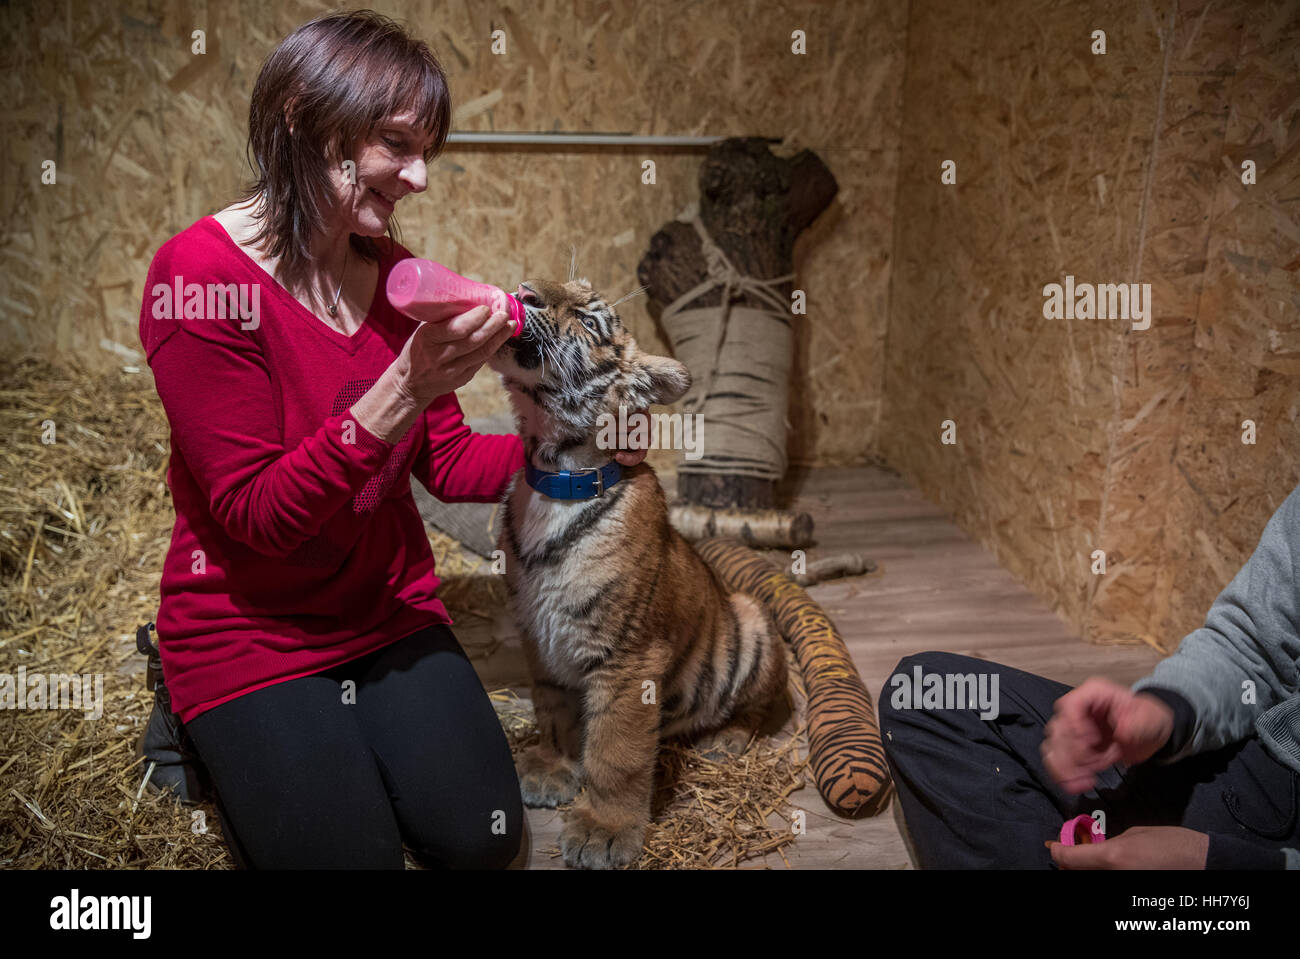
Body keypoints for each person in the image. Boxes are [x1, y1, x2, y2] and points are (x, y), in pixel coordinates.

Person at [136, 10, 647, 869]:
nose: (418, 176)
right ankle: (183, 697)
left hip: (381, 605)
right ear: (304, 115)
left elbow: (443, 461)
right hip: (248, 624)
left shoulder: (384, 265)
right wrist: (403, 384)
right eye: (397, 145)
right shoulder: (197, 280)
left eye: (427, 154)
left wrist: (583, 455)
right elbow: (259, 515)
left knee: (479, 835)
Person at [880, 481, 1300, 869]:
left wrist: (1219, 863)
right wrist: (1163, 711)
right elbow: (1252, 648)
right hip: (1266, 775)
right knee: (924, 692)